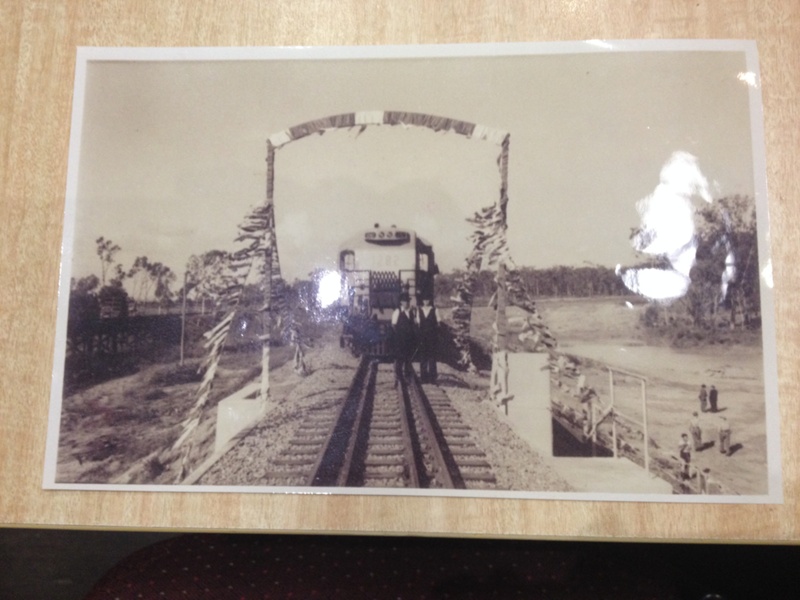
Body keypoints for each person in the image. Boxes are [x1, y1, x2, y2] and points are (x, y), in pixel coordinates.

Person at [391, 293, 417, 386]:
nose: (406, 303)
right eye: (404, 302)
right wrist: (399, 335)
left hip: (409, 340)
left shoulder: (411, 312)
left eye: (407, 302)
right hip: (400, 340)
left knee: (408, 359)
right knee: (399, 359)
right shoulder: (397, 312)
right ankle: (398, 378)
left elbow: (414, 324)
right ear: (401, 302)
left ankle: (407, 377)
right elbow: (393, 325)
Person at [416, 296, 438, 383]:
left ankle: (432, 378)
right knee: (423, 357)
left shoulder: (435, 310)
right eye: (424, 300)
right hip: (422, 337)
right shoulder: (419, 310)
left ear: (429, 300)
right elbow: (418, 323)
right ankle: (423, 378)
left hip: (432, 337)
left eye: (427, 300)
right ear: (422, 300)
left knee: (432, 357)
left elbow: (438, 323)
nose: (426, 301)